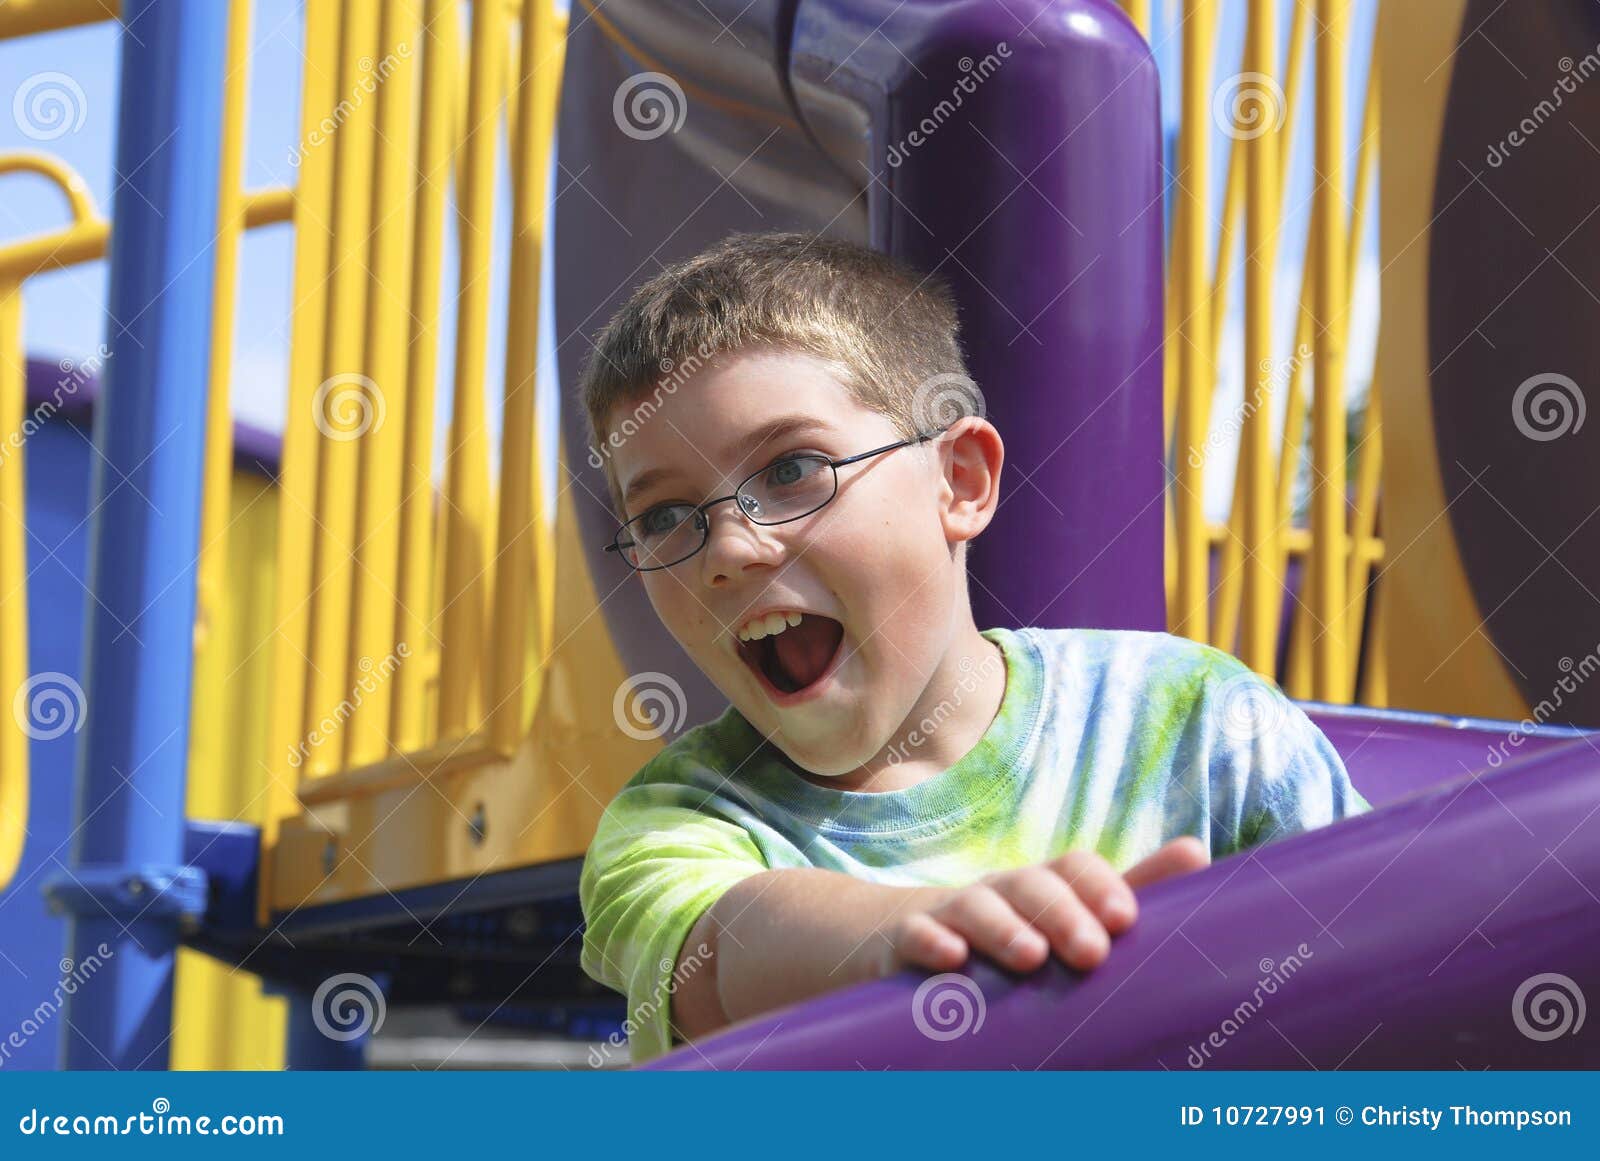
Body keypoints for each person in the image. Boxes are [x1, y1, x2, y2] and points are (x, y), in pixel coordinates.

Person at [576, 231, 1369, 1063]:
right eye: (663, 516)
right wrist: (910, 941)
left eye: (791, 469)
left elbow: (1387, 965)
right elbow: (722, 954)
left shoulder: (1194, 722)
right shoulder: (675, 821)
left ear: (959, 481)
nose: (729, 550)